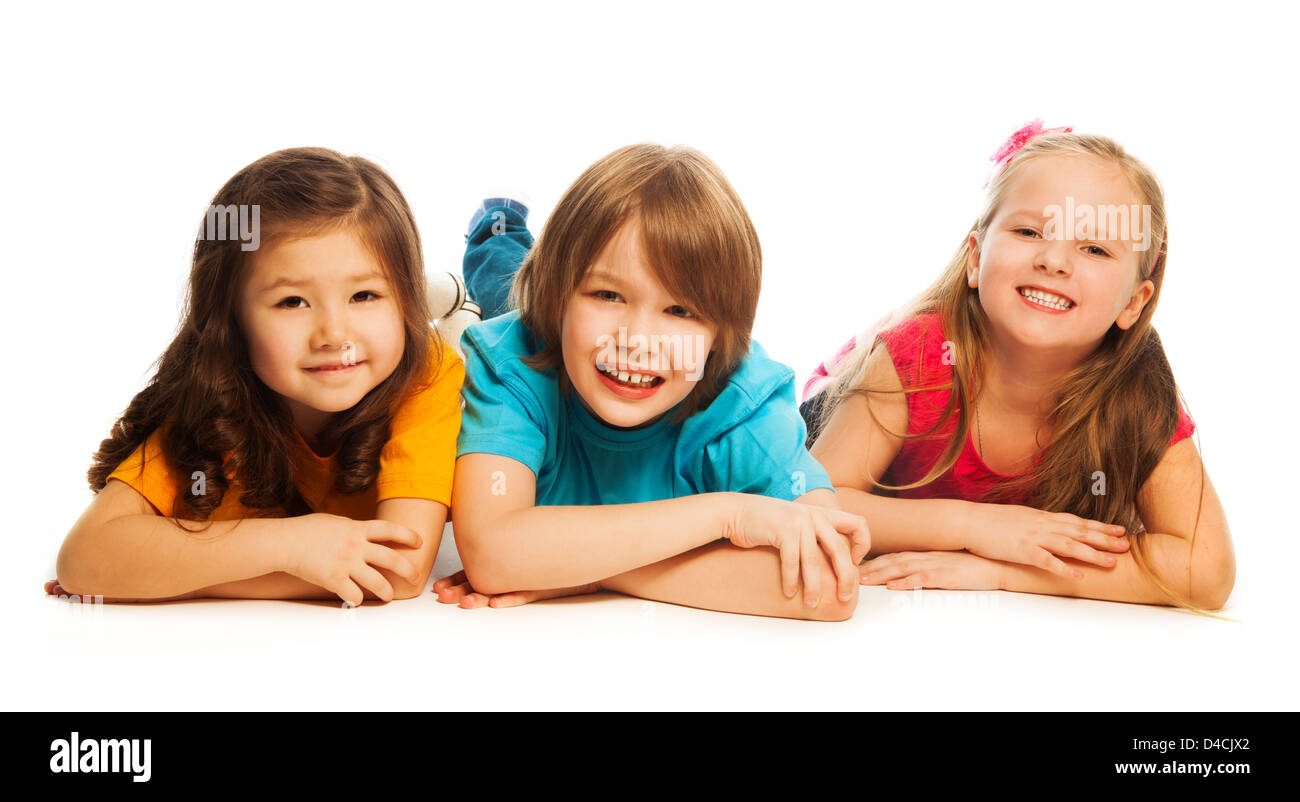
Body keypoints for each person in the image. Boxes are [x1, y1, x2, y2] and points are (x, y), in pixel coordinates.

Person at [804, 122, 1234, 611]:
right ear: (975, 257)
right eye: (1029, 231)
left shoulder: (1134, 385)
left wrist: (1005, 570)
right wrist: (975, 527)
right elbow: (814, 501)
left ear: (1134, 303)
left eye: (1094, 249)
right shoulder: (917, 355)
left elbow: (1206, 569)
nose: (1053, 260)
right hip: (830, 409)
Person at [434, 144, 868, 620]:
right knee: (503, 274)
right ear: (560, 300)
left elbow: (829, 582)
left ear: (723, 336)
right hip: (535, 323)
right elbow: (495, 554)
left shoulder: (740, 402)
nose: (637, 342)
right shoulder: (511, 364)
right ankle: (498, 224)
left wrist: (590, 571)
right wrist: (729, 514)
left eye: (680, 310)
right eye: (608, 294)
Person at [47, 147, 463, 606]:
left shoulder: (428, 374)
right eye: (291, 302)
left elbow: (396, 571)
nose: (333, 334)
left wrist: (172, 573)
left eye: (364, 294)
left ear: (405, 299)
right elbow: (86, 560)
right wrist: (290, 546)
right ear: (231, 321)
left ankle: (467, 297)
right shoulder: (216, 401)